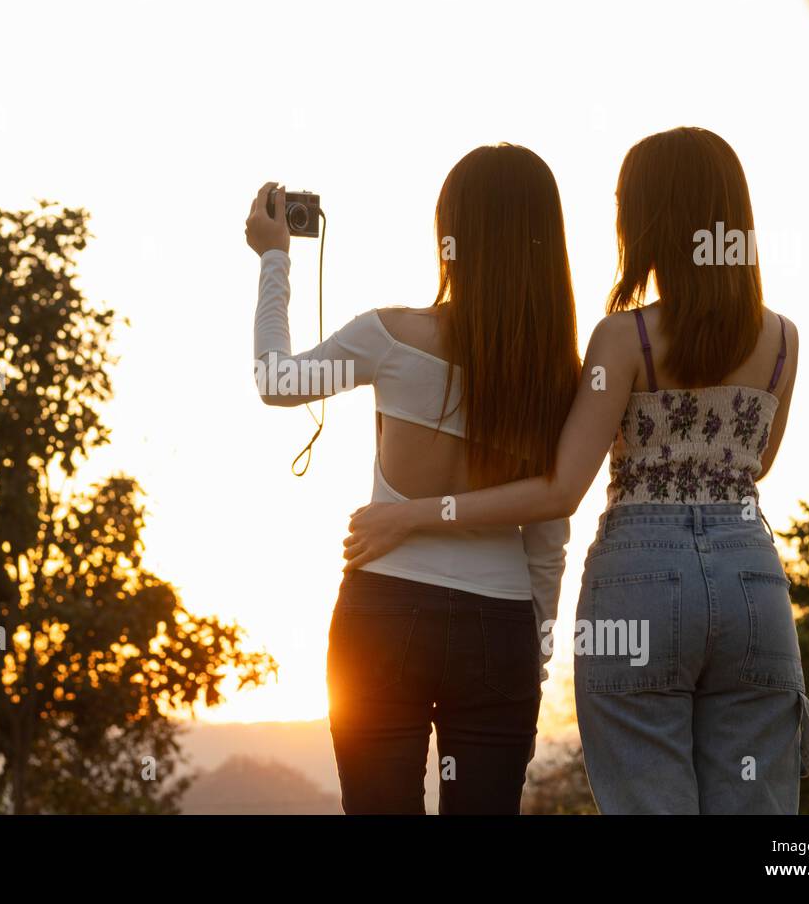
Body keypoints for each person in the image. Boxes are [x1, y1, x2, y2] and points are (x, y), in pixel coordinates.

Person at [343, 127, 809, 814]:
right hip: (752, 576)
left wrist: (415, 512)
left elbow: (559, 490)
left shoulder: (623, 340)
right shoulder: (782, 339)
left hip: (644, 576)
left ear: (654, 217)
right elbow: (760, 464)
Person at [244, 144, 581, 813]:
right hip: (501, 626)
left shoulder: (390, 336)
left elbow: (276, 380)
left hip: (384, 615)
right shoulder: (563, 379)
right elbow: (548, 531)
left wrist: (274, 259)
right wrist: (531, 651)